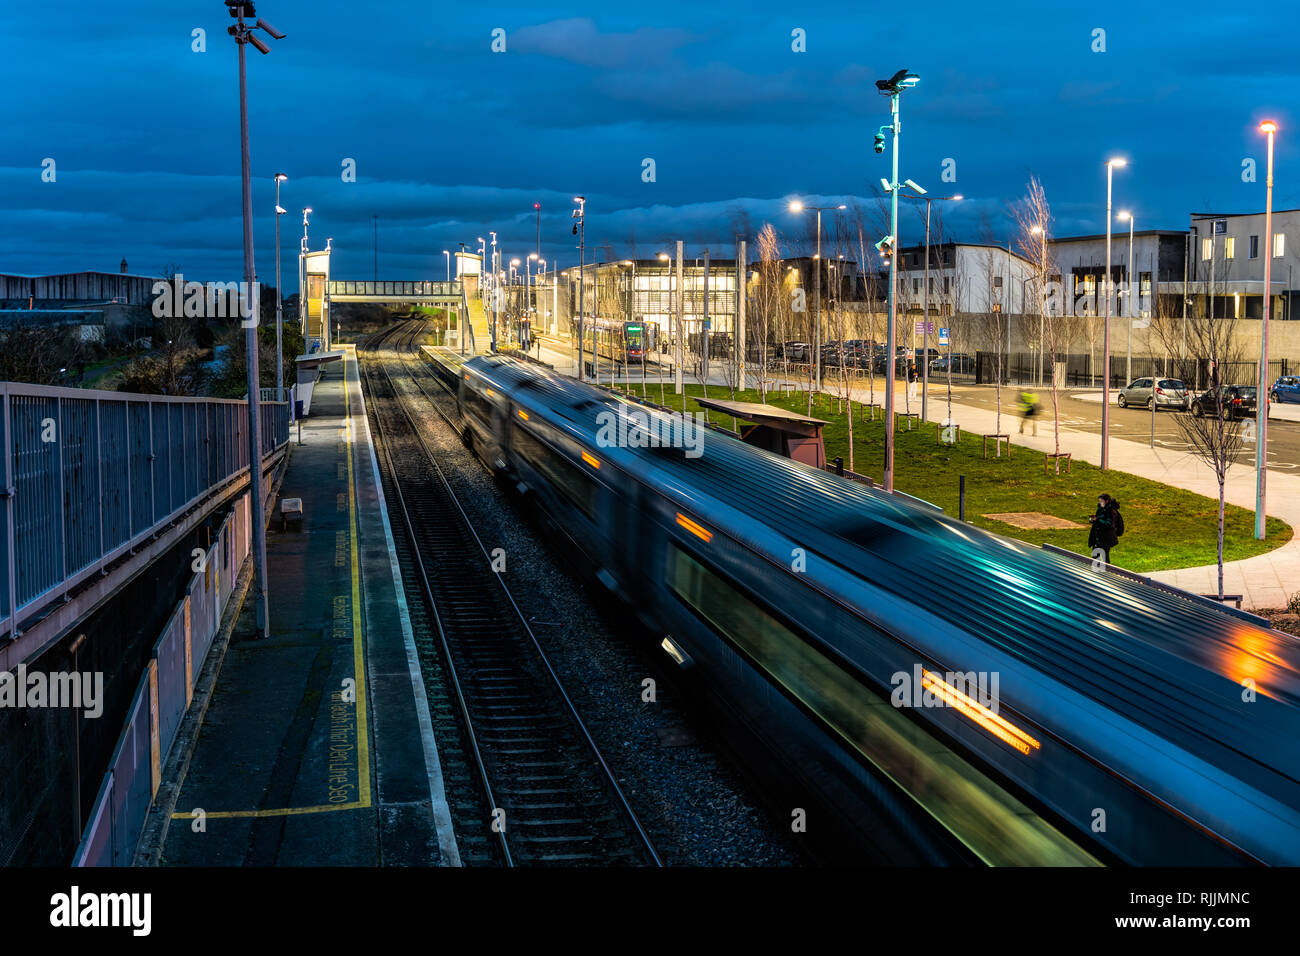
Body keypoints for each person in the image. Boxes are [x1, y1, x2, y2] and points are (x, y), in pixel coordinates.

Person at [1088, 493, 1124, 566]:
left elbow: (1109, 524)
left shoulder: (1111, 511)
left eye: (1101, 501)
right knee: (1096, 556)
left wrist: (1097, 520)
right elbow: (1099, 518)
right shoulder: (1101, 509)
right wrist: (1093, 519)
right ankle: (1098, 572)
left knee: (1104, 558)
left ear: (1107, 501)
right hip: (1098, 537)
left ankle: (1106, 573)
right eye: (1099, 501)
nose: (1100, 503)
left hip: (1106, 538)